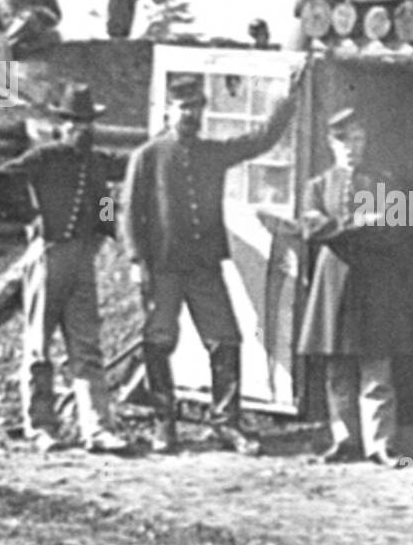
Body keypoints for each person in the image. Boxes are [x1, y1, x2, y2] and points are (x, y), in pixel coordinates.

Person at [121, 67, 304, 454]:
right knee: (158, 342)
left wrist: (284, 104)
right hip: (163, 267)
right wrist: (137, 261)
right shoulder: (147, 156)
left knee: (225, 340)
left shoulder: (211, 154)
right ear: (169, 110)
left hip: (203, 267)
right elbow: (126, 213)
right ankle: (163, 424)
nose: (190, 114)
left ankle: (227, 424)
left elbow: (260, 140)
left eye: (196, 108)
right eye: (182, 107)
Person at [0, 83, 130, 455]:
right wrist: (29, 215)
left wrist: (110, 231)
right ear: (62, 124)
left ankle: (97, 428)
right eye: (76, 122)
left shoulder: (95, 163)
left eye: (88, 122)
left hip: (83, 262)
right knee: (39, 347)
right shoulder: (45, 158)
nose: (83, 129)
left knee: (87, 347)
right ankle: (41, 427)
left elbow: (104, 202)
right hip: (48, 257)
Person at [297, 109, 412, 468]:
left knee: (376, 365)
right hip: (334, 283)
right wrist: (358, 222)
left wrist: (337, 228)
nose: (352, 148)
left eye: (359, 140)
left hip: (375, 282)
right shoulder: (317, 186)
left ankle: (380, 444)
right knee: (337, 367)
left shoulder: (384, 183)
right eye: (344, 140)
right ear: (332, 144)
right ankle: (344, 439)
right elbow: (310, 229)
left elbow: (394, 229)